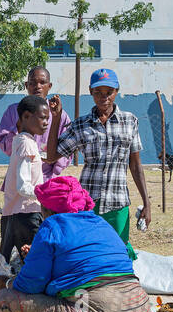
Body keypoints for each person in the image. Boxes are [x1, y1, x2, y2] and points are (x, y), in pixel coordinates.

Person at [0, 176, 154, 312]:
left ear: (49, 210)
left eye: (42, 209)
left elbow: (31, 285)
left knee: (4, 301)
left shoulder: (52, 225)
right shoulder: (101, 223)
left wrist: (6, 284)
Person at [47, 68, 151, 249]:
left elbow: (135, 166)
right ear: (90, 92)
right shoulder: (81, 124)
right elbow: (51, 156)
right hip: (87, 203)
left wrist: (147, 203)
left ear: (117, 91)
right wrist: (56, 118)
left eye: (109, 92)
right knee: (86, 250)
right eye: (98, 93)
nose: (104, 97)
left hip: (117, 203)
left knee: (117, 250)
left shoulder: (130, 121)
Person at [0, 65, 71, 250]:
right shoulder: (15, 112)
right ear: (26, 85)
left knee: (45, 237)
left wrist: (52, 163)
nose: (37, 86)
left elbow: (67, 149)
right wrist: (21, 126)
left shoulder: (59, 115)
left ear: (49, 85)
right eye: (32, 83)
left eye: (42, 82)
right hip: (21, 189)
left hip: (47, 181)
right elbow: (4, 143)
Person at [0, 95, 50, 264]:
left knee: (6, 265)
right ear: (26, 116)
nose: (46, 122)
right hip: (27, 214)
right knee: (37, 264)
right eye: (42, 117)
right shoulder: (26, 144)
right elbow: (23, 186)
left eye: (48, 119)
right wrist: (46, 194)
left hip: (14, 213)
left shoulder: (21, 141)